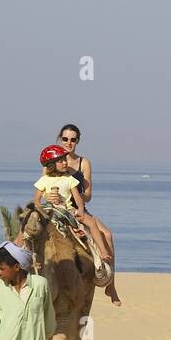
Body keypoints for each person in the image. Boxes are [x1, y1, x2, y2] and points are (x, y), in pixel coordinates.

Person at [55, 123, 121, 306]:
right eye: (65, 139)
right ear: (60, 139)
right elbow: (43, 185)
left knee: (107, 234)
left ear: (78, 141)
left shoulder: (84, 163)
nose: (69, 143)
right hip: (58, 207)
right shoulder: (53, 159)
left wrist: (76, 195)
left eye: (73, 139)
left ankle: (111, 284)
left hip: (79, 208)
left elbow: (89, 195)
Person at [34, 146, 111, 263]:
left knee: (91, 223)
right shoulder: (44, 179)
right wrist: (44, 200)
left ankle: (103, 251)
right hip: (50, 210)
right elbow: (37, 200)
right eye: (61, 161)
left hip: (68, 210)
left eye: (65, 160)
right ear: (51, 164)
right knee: (28, 225)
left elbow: (77, 197)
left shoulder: (69, 179)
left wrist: (80, 209)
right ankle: (22, 249)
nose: (65, 163)